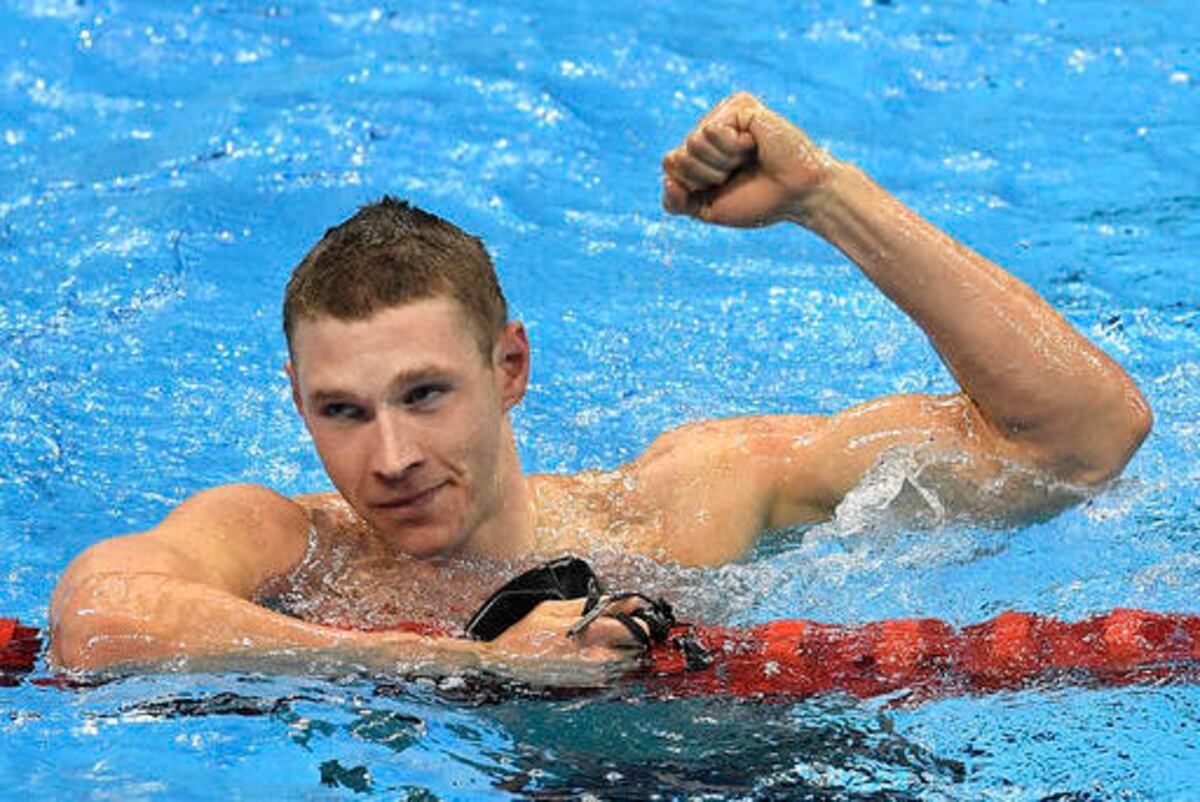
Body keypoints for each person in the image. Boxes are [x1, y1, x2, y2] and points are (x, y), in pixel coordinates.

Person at [49, 92, 1151, 683]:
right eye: (342, 411)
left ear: (510, 368)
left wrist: (826, 198)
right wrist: (446, 659)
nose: (386, 458)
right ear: (298, 402)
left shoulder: (692, 500)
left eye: (425, 394)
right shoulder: (294, 546)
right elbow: (96, 619)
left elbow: (1086, 439)